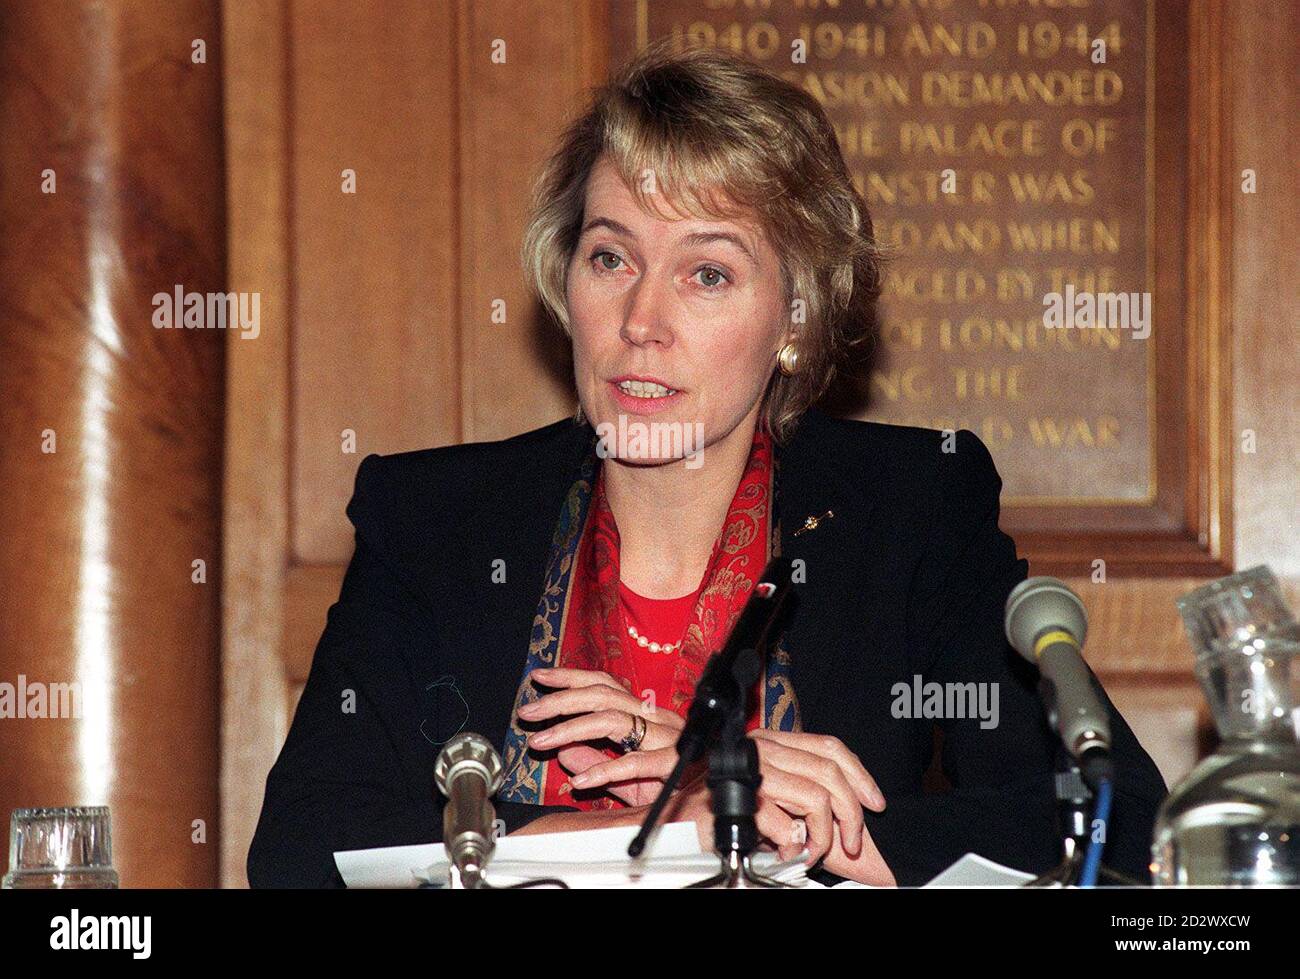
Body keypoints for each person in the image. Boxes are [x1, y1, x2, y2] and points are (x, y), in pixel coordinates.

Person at [248, 42, 1166, 888]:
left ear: (796, 318)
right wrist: (694, 818)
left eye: (708, 273)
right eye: (611, 257)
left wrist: (803, 826)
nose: (641, 320)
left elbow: (1117, 820)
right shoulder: (437, 521)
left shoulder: (910, 510)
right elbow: (301, 851)